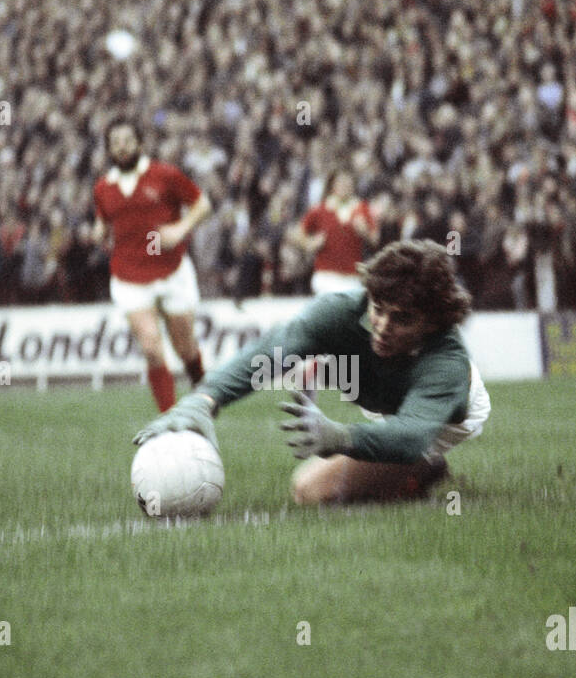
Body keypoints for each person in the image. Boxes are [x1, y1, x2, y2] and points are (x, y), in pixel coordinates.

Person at [133, 239, 491, 506]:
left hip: (439, 424)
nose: (382, 325)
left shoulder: (446, 365)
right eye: (379, 309)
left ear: (433, 321)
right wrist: (204, 399)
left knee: (311, 490)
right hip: (387, 398)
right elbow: (271, 353)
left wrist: (342, 436)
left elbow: (411, 435)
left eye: (402, 319)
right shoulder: (340, 311)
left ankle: (423, 471)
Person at [91, 117, 213, 411]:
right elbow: (103, 222)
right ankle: (169, 417)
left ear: (139, 144)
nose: (122, 148)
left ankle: (206, 396)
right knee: (151, 348)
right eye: (115, 143)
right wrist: (98, 233)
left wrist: (181, 229)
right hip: (129, 276)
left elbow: (203, 204)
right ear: (108, 149)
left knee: (185, 348)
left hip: (171, 272)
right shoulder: (103, 188)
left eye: (127, 141)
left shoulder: (164, 175)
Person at [286, 169, 379, 295]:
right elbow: (296, 233)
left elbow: (375, 239)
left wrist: (364, 232)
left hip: (352, 276)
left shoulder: (361, 208)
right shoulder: (321, 208)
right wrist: (310, 243)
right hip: (326, 275)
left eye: (348, 182)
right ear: (332, 185)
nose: (344, 186)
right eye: (340, 182)